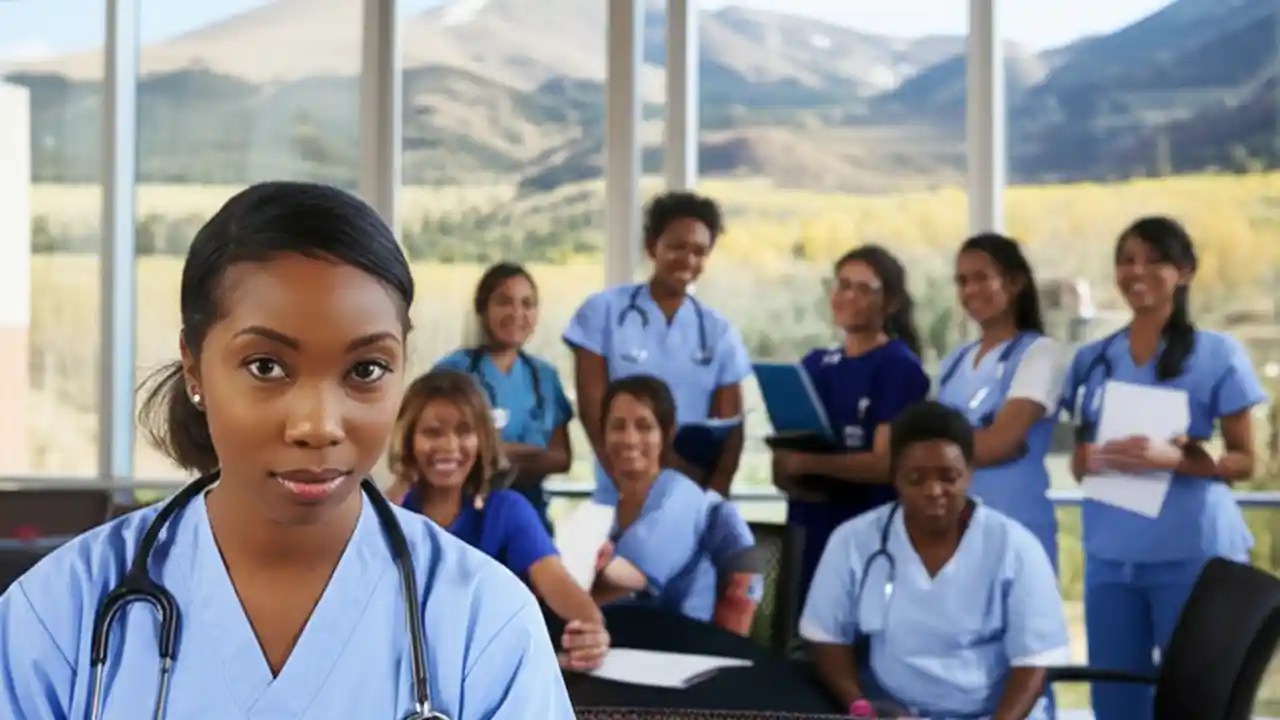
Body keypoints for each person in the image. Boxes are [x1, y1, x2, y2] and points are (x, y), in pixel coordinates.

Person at [0, 182, 573, 719]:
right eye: (266, 366)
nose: (318, 425)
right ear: (194, 366)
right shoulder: (60, 613)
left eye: (366, 369)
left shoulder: (485, 622)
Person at [1061, 217, 1266, 720]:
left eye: (1155, 260)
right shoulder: (1092, 359)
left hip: (1191, 557)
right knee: (1114, 698)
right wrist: (1084, 460)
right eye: (1127, 259)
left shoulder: (1217, 355)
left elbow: (1246, 460)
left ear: (1185, 273)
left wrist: (1175, 460)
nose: (1137, 271)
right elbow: (1079, 459)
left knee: (1195, 699)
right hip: (1111, 558)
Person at [800, 401, 1069, 720]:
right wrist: (860, 706)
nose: (934, 490)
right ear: (894, 477)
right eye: (916, 479)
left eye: (949, 477)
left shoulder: (1015, 547)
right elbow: (826, 636)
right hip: (890, 711)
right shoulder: (854, 541)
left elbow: (1034, 660)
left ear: (969, 473)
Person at [388, 368, 609, 672]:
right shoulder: (385, 516)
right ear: (409, 438)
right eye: (432, 432)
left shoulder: (506, 511)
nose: (449, 446)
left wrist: (592, 637)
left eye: (464, 431)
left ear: (482, 440)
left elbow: (572, 600)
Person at [563, 191, 752, 504]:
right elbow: (592, 412)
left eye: (699, 251)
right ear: (652, 246)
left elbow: (729, 431)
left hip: (688, 497)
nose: (688, 260)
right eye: (677, 246)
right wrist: (629, 488)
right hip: (619, 494)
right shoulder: (604, 312)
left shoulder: (718, 332)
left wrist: (712, 503)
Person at [769, 245, 930, 600]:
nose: (850, 296)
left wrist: (808, 464)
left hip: (865, 533)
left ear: (890, 303)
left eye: (864, 288)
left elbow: (884, 463)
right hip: (808, 529)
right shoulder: (814, 364)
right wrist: (787, 468)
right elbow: (786, 457)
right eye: (843, 285)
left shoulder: (897, 368)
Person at [591, 375, 762, 635]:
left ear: (667, 433)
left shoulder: (679, 494)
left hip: (684, 644)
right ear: (602, 434)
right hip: (626, 640)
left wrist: (570, 572)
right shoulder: (607, 506)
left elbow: (632, 577)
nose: (629, 439)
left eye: (644, 426)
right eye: (617, 426)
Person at [936, 234, 1064, 568]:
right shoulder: (954, 362)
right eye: (963, 281)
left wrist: (943, 446)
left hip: (1015, 527)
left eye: (982, 278)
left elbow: (999, 443)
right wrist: (980, 443)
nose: (971, 290)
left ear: (1016, 282)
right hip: (953, 531)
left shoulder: (1039, 354)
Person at [433, 262, 574, 531]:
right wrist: (530, 454)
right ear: (482, 308)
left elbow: (560, 458)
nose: (517, 313)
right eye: (504, 302)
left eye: (527, 304)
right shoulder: (453, 372)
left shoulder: (545, 376)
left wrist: (493, 451)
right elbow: (441, 449)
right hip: (461, 510)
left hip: (531, 513)